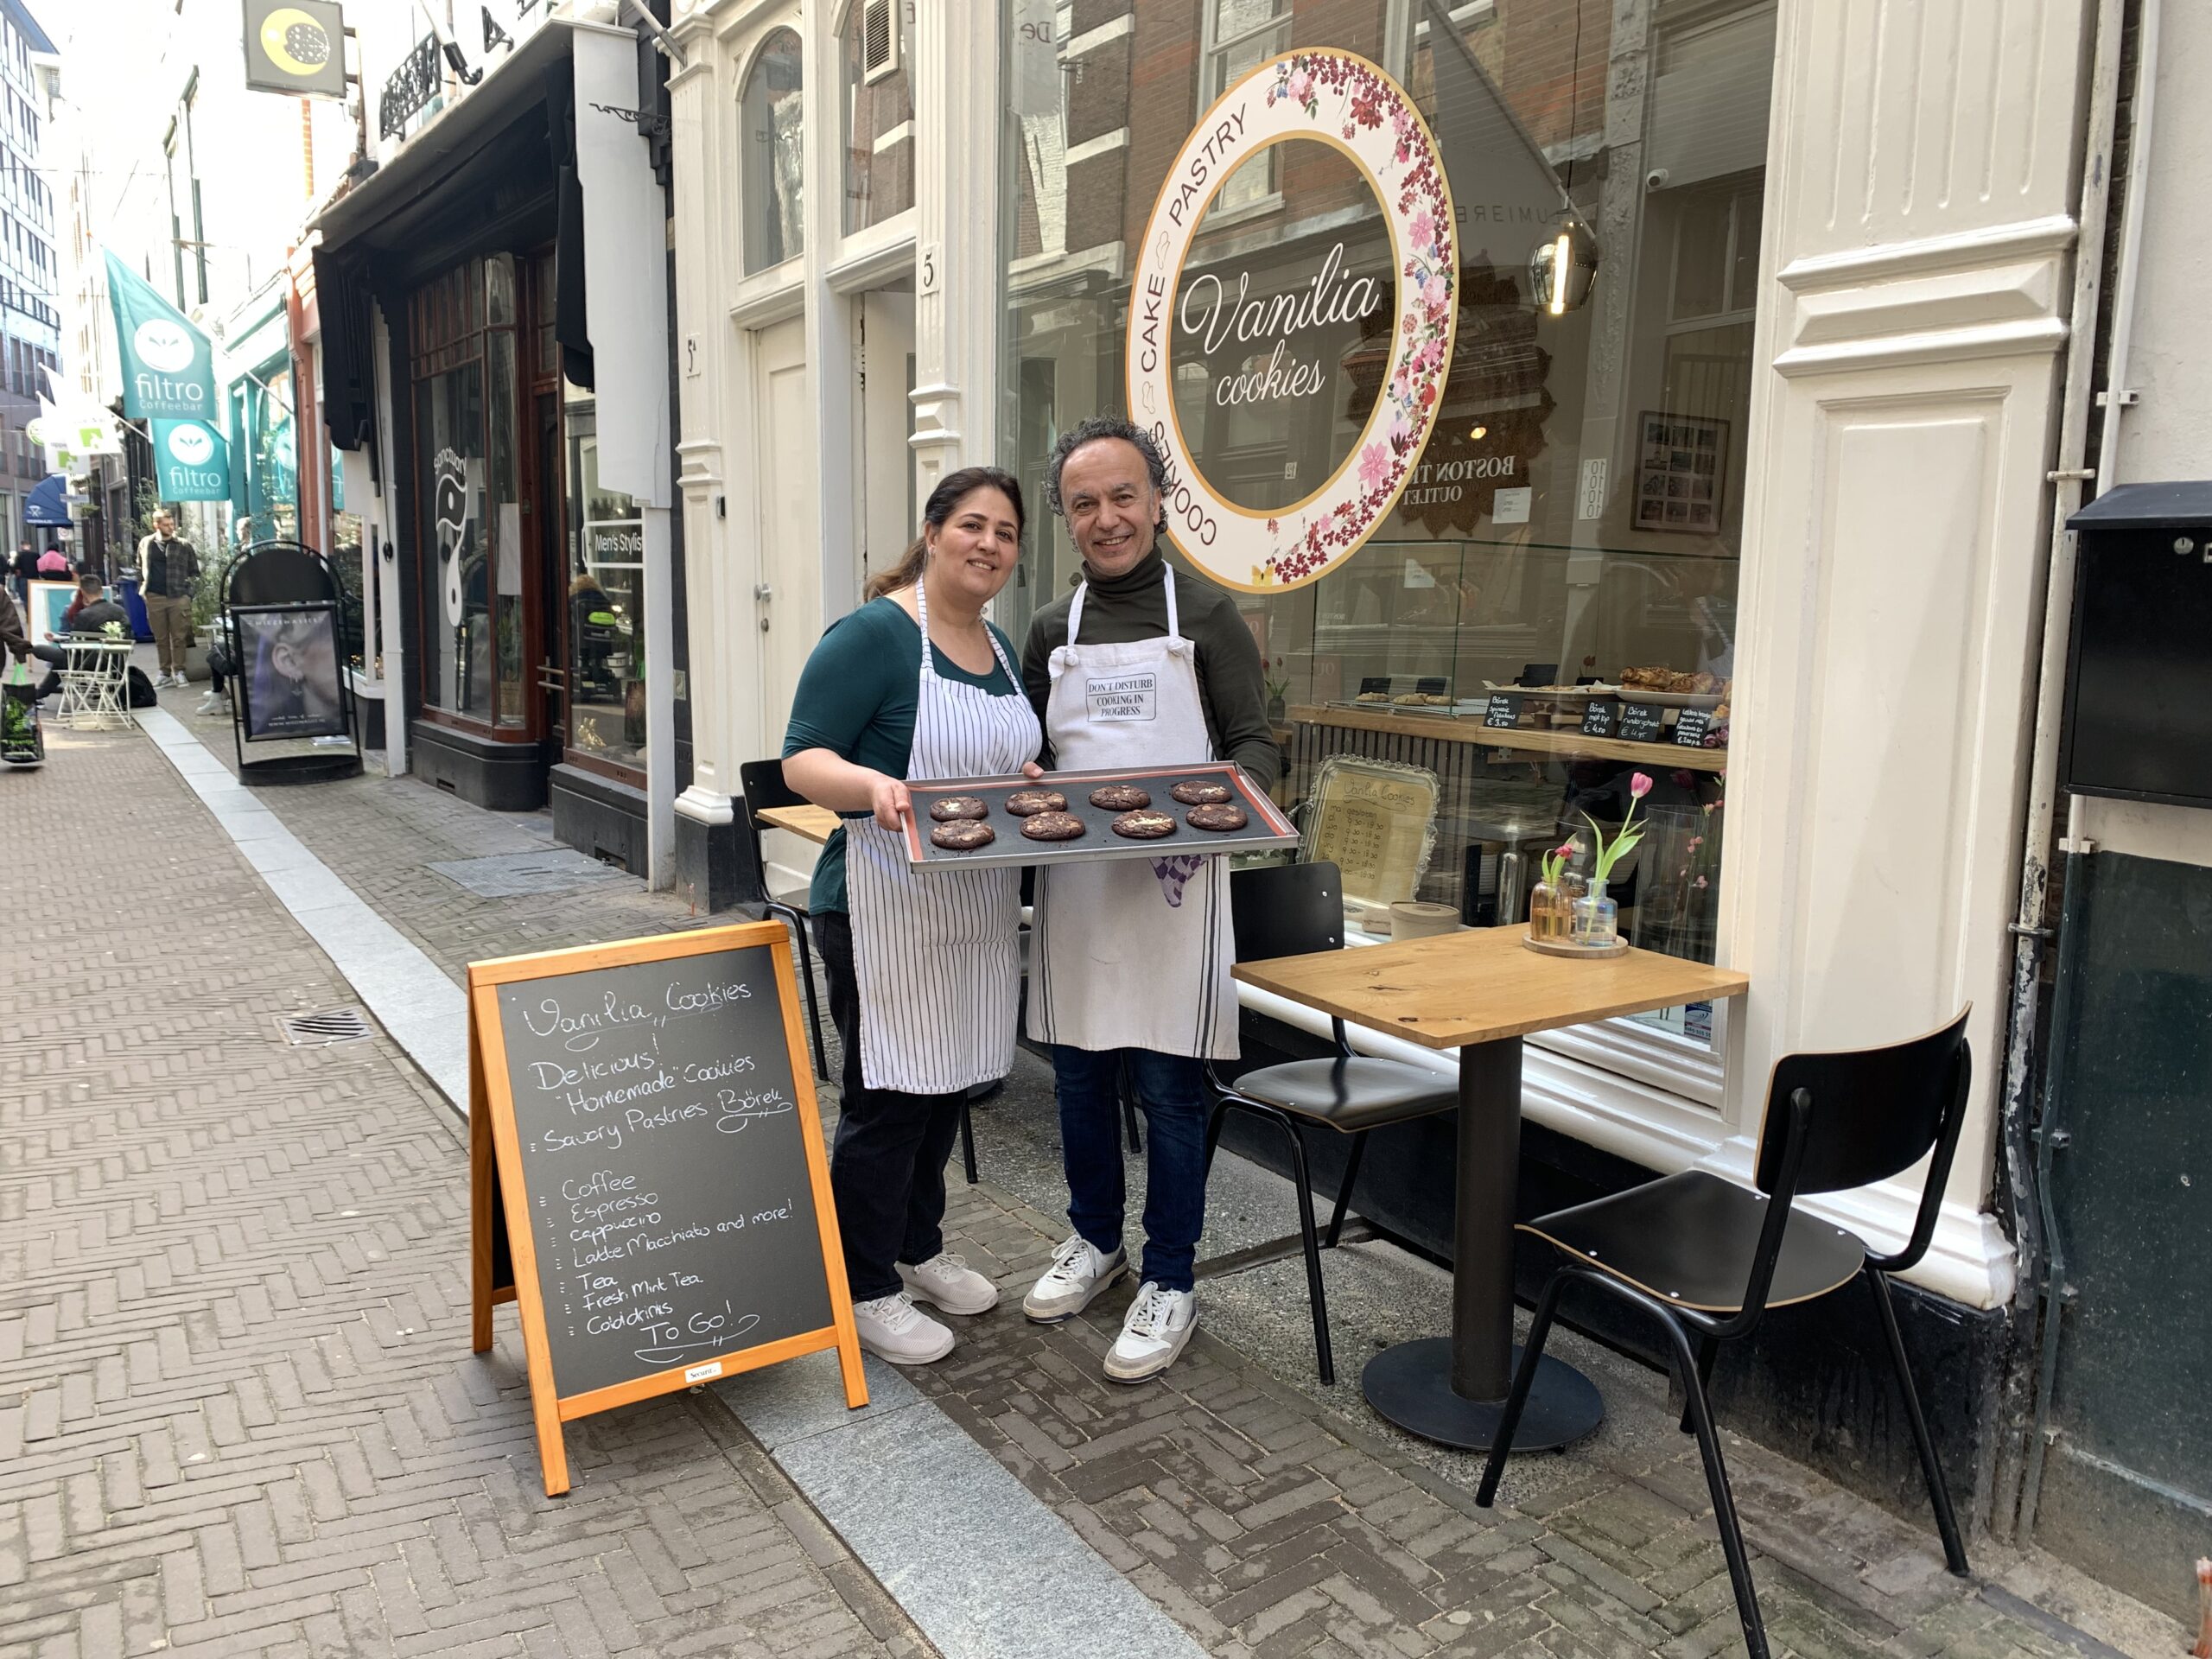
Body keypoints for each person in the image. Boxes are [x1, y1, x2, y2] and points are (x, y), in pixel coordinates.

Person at [1019, 416, 1280, 1383]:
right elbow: (1036, 757)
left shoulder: (1207, 615)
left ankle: (1170, 1276)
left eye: (1122, 495)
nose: (1106, 517)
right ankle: (1096, 1241)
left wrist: (1205, 811)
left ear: (1158, 501)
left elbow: (1255, 742)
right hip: (1080, 888)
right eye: (1083, 503)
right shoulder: (1052, 627)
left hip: (1176, 890)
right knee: (1080, 1079)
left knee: (1170, 1092)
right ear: (1067, 519)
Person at [781, 467, 1043, 1366]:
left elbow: (1000, 766)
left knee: (947, 1090)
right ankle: (860, 1284)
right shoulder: (875, 636)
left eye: (1005, 533)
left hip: (971, 901)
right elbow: (801, 760)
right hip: (877, 900)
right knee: (889, 1097)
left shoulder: (998, 648)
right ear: (931, 533)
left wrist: (1029, 787)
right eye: (972, 525)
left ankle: (917, 1246)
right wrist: (872, 787)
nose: (988, 545)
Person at [25, 575, 128, 699]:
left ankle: (38, 693)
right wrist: (60, 638)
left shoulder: (84, 615)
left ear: (83, 592)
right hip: (116, 661)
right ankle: (39, 694)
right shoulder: (119, 610)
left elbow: (76, 646)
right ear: (101, 591)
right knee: (62, 662)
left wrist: (64, 643)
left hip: (91, 661)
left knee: (43, 651)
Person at [138, 509, 200, 690]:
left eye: (172, 524)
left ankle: (179, 671)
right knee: (161, 638)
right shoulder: (146, 543)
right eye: (166, 524)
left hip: (178, 596)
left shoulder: (183, 545)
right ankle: (164, 673)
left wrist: (188, 594)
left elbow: (194, 571)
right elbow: (139, 566)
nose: (171, 527)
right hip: (154, 596)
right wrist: (143, 590)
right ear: (156, 525)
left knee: (179, 637)